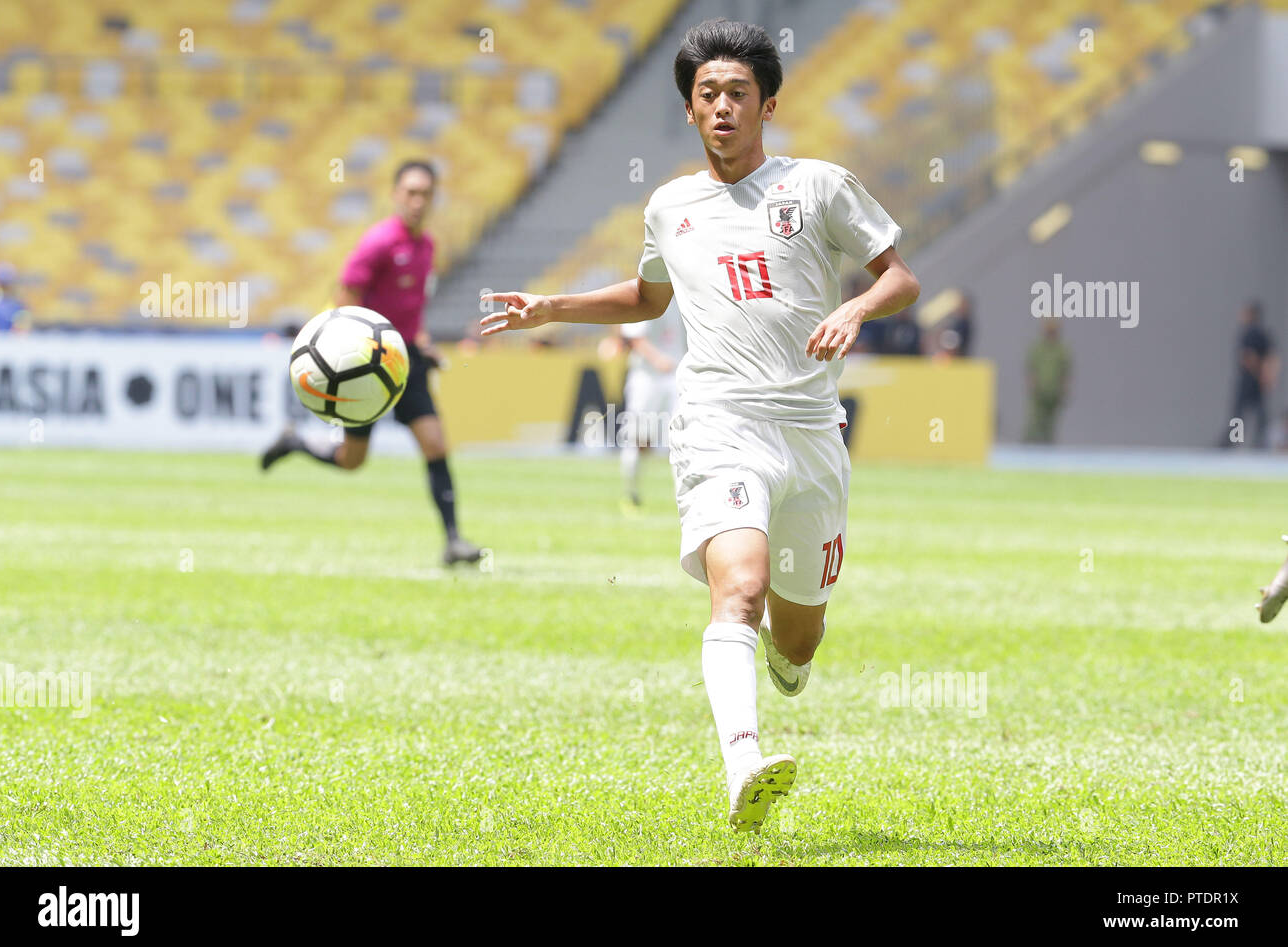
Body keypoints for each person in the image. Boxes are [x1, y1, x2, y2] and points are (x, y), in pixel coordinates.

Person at [476, 18, 918, 831]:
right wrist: (554, 307)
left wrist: (855, 308)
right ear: (690, 110)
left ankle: (785, 667)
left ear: (768, 104)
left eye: (738, 94)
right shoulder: (671, 206)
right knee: (738, 590)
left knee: (801, 635)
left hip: (814, 434)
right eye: (707, 94)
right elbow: (649, 298)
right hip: (719, 421)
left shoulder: (817, 187)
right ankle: (742, 762)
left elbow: (900, 278)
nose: (722, 107)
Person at [261, 160, 483, 566]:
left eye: (425, 194)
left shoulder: (427, 245)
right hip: (364, 365)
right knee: (352, 461)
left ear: (434, 199)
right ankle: (296, 443)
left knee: (435, 444)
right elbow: (345, 296)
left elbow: (411, 308)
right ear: (396, 195)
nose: (418, 201)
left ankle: (454, 541)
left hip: (406, 360)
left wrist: (423, 342)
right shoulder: (378, 242)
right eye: (411, 192)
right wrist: (349, 354)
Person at [618, 298, 684, 509]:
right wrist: (657, 359)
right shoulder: (650, 290)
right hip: (647, 377)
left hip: (678, 375)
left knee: (682, 439)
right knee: (638, 439)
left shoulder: (686, 289)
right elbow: (634, 336)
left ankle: (683, 498)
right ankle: (631, 493)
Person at [1227, 300, 1277, 449]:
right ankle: (1261, 443)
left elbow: (1248, 357)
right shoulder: (1263, 333)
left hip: (1249, 380)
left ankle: (1235, 442)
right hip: (1258, 380)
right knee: (1260, 413)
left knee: (1239, 414)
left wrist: (1258, 372)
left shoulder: (1249, 333)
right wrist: (1268, 375)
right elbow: (1272, 356)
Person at [1023, 318, 1071, 443]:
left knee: (1050, 424)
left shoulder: (1062, 350)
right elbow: (1031, 369)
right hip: (1039, 392)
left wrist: (1064, 390)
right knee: (1034, 421)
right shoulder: (1038, 348)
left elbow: (1065, 372)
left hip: (1054, 392)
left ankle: (1047, 448)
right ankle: (1028, 446)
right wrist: (1032, 385)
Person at [0, 264, 32, 332]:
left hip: (12, 340)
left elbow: (22, 328)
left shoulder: (19, 303)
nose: (5, 287)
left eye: (7, 283)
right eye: (2, 283)